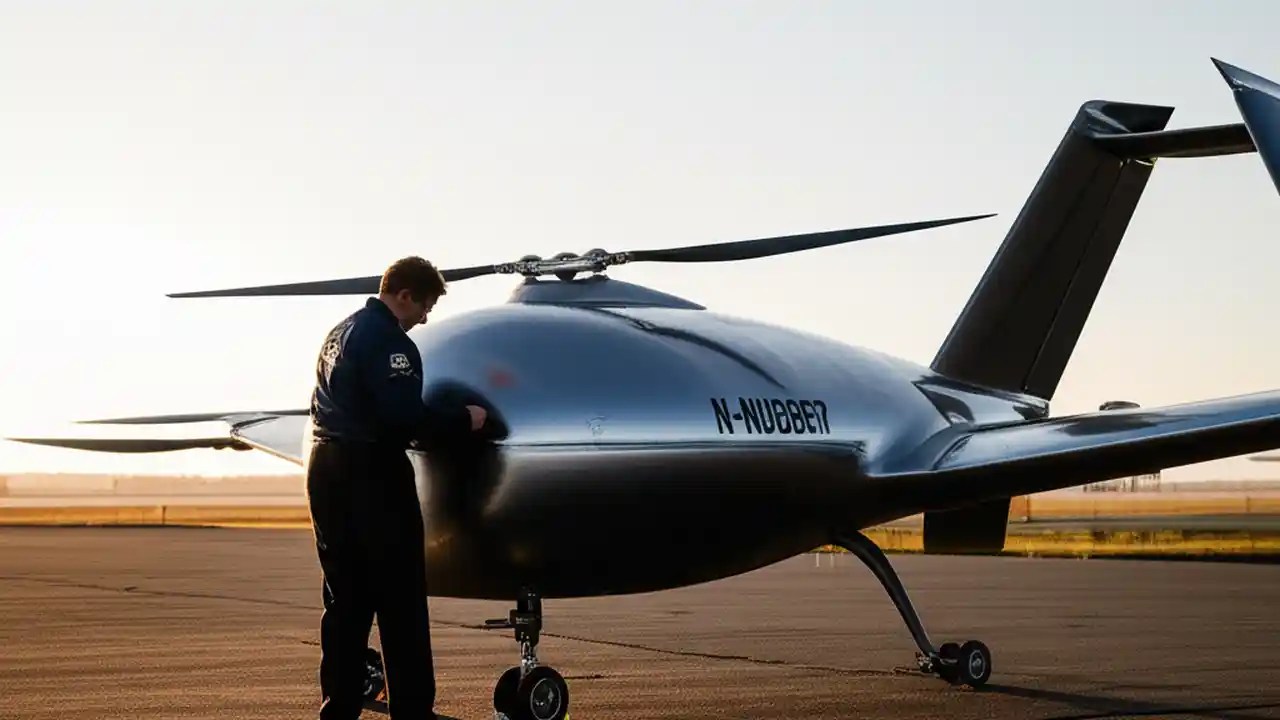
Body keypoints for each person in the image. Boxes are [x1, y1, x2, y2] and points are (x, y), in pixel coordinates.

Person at [306, 256, 487, 720]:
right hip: (371, 475)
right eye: (425, 306)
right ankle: (412, 710)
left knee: (345, 600)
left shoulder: (341, 332)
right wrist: (464, 420)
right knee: (399, 600)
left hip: (325, 469)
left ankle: (338, 707)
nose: (425, 318)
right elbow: (405, 421)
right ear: (405, 295)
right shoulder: (389, 342)